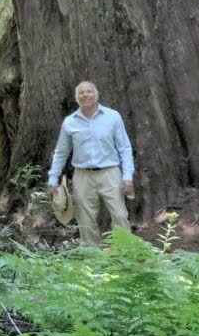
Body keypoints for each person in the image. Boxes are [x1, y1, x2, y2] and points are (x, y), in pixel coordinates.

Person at [47, 80, 135, 246]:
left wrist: (128, 176)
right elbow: (61, 152)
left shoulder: (112, 117)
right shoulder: (70, 122)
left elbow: (124, 148)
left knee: (120, 215)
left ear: (96, 94)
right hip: (82, 175)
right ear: (76, 97)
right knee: (85, 220)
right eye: (81, 92)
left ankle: (125, 255)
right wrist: (53, 179)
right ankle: (95, 260)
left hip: (110, 172)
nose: (85, 95)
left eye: (89, 91)